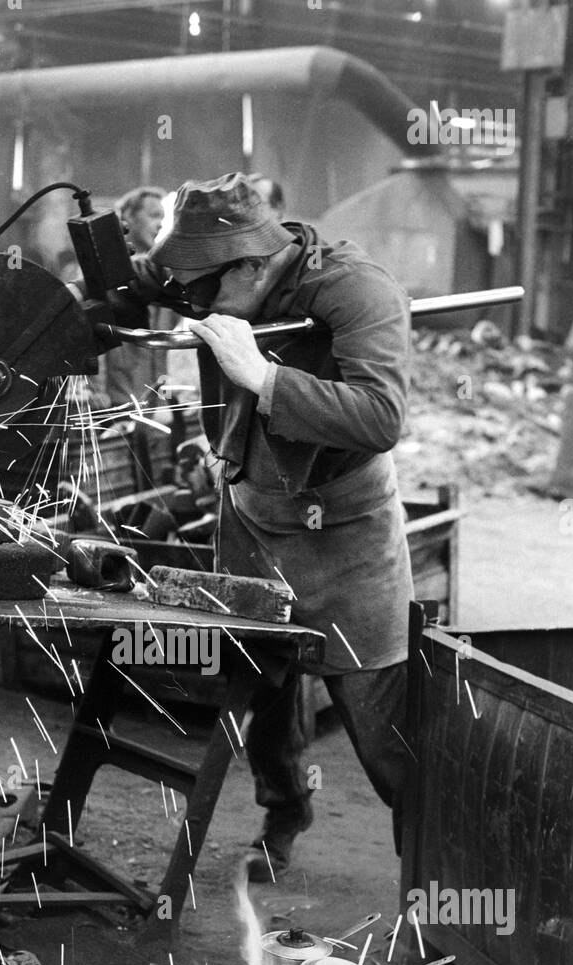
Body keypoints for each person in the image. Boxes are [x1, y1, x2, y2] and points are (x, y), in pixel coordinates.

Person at [121, 172, 414, 881]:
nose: (185, 302)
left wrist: (261, 377)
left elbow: (382, 417)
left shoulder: (356, 289)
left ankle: (434, 861)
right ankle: (284, 812)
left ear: (251, 265)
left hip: (344, 532)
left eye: (199, 291)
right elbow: (138, 279)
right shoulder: (217, 271)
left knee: (378, 720)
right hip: (252, 518)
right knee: (263, 695)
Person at [97, 185, 175, 486]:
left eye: (163, 217)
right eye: (153, 215)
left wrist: (165, 400)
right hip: (112, 413)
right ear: (127, 219)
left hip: (153, 411)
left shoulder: (162, 278)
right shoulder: (104, 276)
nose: (159, 224)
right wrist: (100, 404)